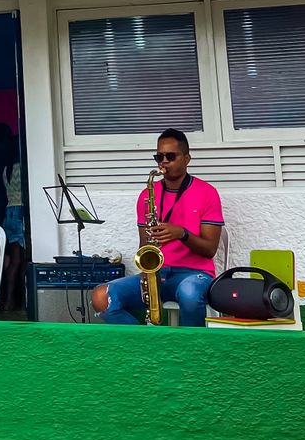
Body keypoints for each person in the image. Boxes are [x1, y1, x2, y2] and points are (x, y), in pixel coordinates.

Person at [89, 129, 223, 328]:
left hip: (194, 274)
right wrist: (147, 276)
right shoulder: (147, 195)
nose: (164, 161)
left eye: (171, 156)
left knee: (189, 295)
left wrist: (182, 234)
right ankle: (145, 347)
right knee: (101, 296)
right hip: (156, 273)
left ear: (187, 158)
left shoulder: (207, 193)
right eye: (159, 156)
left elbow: (209, 249)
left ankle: (192, 353)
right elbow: (144, 247)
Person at [1, 155, 28, 314]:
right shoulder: (22, 168)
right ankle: (24, 301)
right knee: (24, 261)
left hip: (8, 212)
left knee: (14, 261)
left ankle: (8, 301)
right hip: (20, 212)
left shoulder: (6, 169)